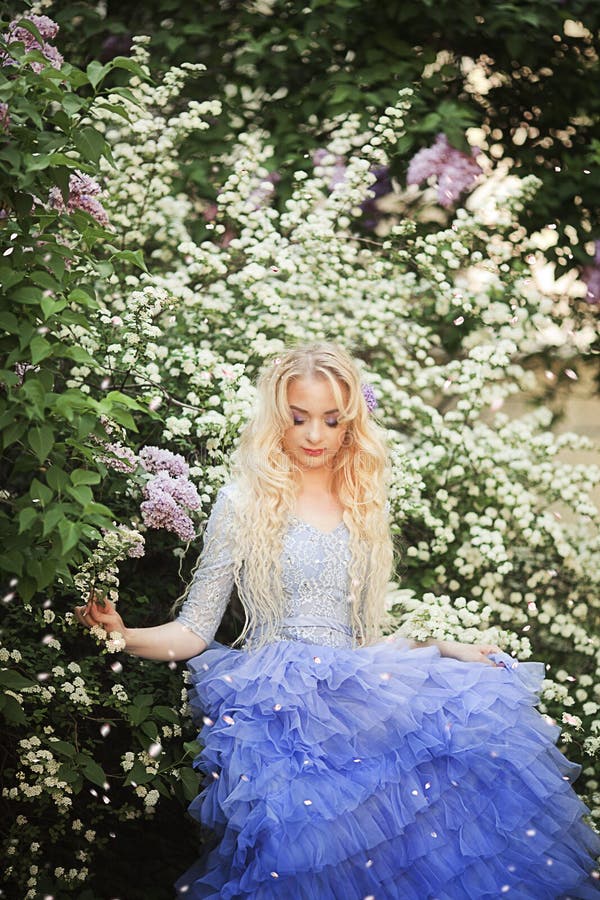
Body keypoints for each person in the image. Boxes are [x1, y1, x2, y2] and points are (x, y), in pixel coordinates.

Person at [75, 342, 600, 899]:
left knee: (400, 849)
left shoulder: (363, 502)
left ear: (351, 423)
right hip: (278, 708)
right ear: (277, 417)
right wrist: (124, 637)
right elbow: (195, 630)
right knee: (298, 862)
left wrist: (442, 648)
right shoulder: (243, 502)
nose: (315, 435)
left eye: (331, 420)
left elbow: (363, 639)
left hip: (358, 700)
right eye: (299, 418)